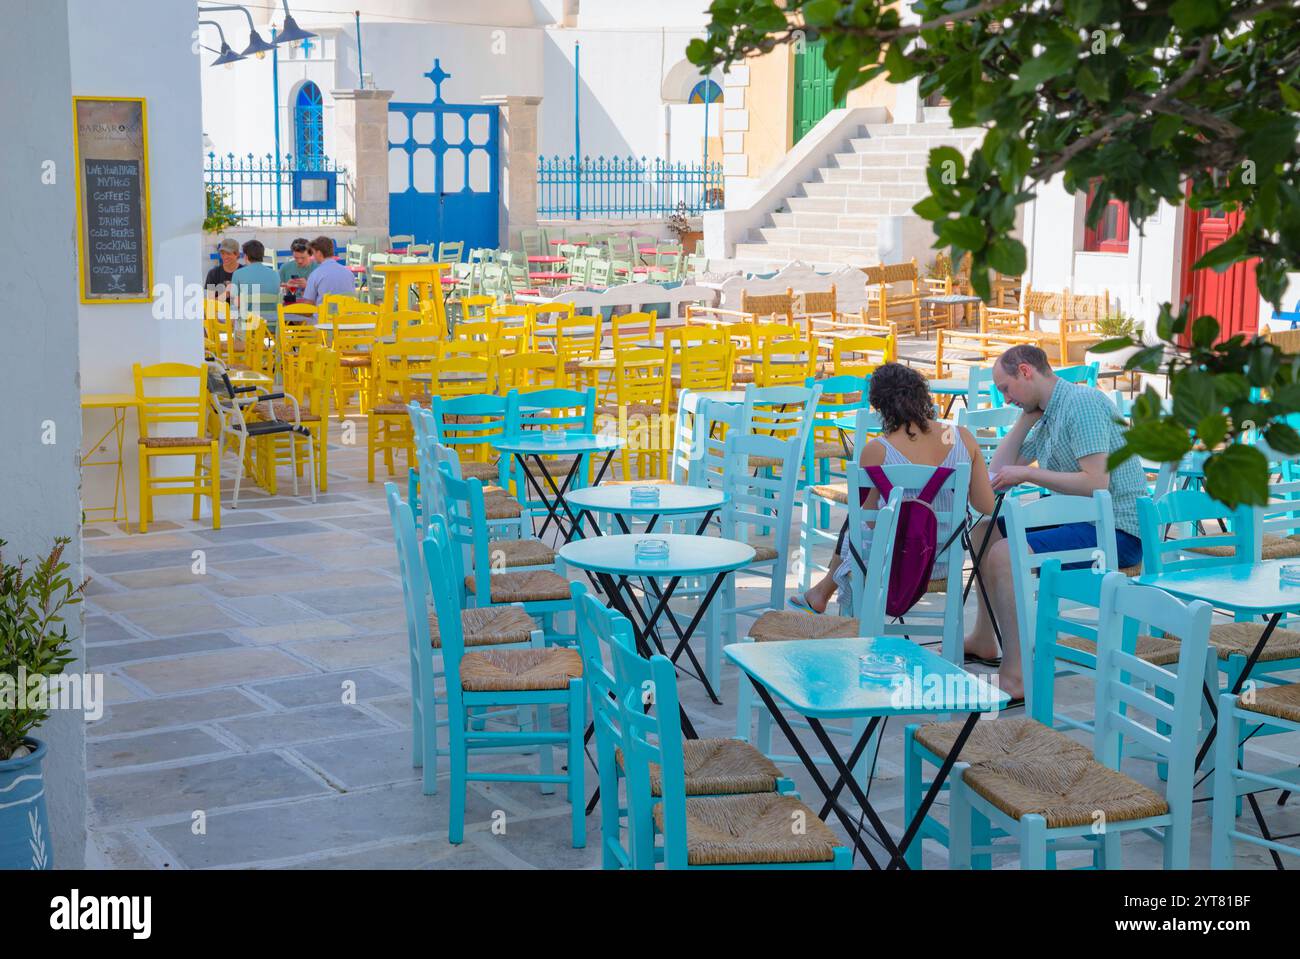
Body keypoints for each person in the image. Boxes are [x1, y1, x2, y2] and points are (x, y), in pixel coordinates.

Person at [962, 344, 1146, 700]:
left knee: (1004, 554)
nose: (1005, 397)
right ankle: (986, 638)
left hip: (1117, 532)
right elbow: (997, 472)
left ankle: (1015, 675)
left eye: (1006, 388)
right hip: (1085, 522)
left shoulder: (1082, 404)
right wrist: (1023, 418)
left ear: (1026, 372)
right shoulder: (1047, 412)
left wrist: (1029, 476)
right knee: (983, 530)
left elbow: (1096, 483)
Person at [793, 362, 997, 618]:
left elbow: (867, 524)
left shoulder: (878, 450)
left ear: (879, 406)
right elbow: (985, 506)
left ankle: (823, 594)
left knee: (853, 521)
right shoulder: (962, 438)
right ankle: (820, 592)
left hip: (892, 563)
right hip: (943, 561)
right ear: (923, 395)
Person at [229, 240, 281, 322]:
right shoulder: (275, 274)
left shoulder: (238, 274)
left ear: (246, 256)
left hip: (247, 326)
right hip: (271, 325)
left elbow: (235, 305)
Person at [299, 235, 357, 305]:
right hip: (347, 315)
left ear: (319, 253)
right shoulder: (349, 273)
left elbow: (308, 307)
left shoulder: (316, 274)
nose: (312, 256)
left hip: (325, 315)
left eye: (313, 253)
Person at [279, 237, 315, 303]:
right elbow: (280, 295)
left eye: (303, 258)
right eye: (296, 258)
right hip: (290, 308)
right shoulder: (285, 268)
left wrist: (308, 286)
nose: (299, 261)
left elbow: (323, 295)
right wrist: (286, 287)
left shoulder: (318, 268)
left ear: (310, 254)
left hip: (312, 308)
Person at [204, 237, 240, 302]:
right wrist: (226, 294)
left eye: (228, 253)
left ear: (237, 254)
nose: (225, 257)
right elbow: (209, 303)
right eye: (222, 253)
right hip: (219, 311)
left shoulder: (245, 272)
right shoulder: (213, 273)